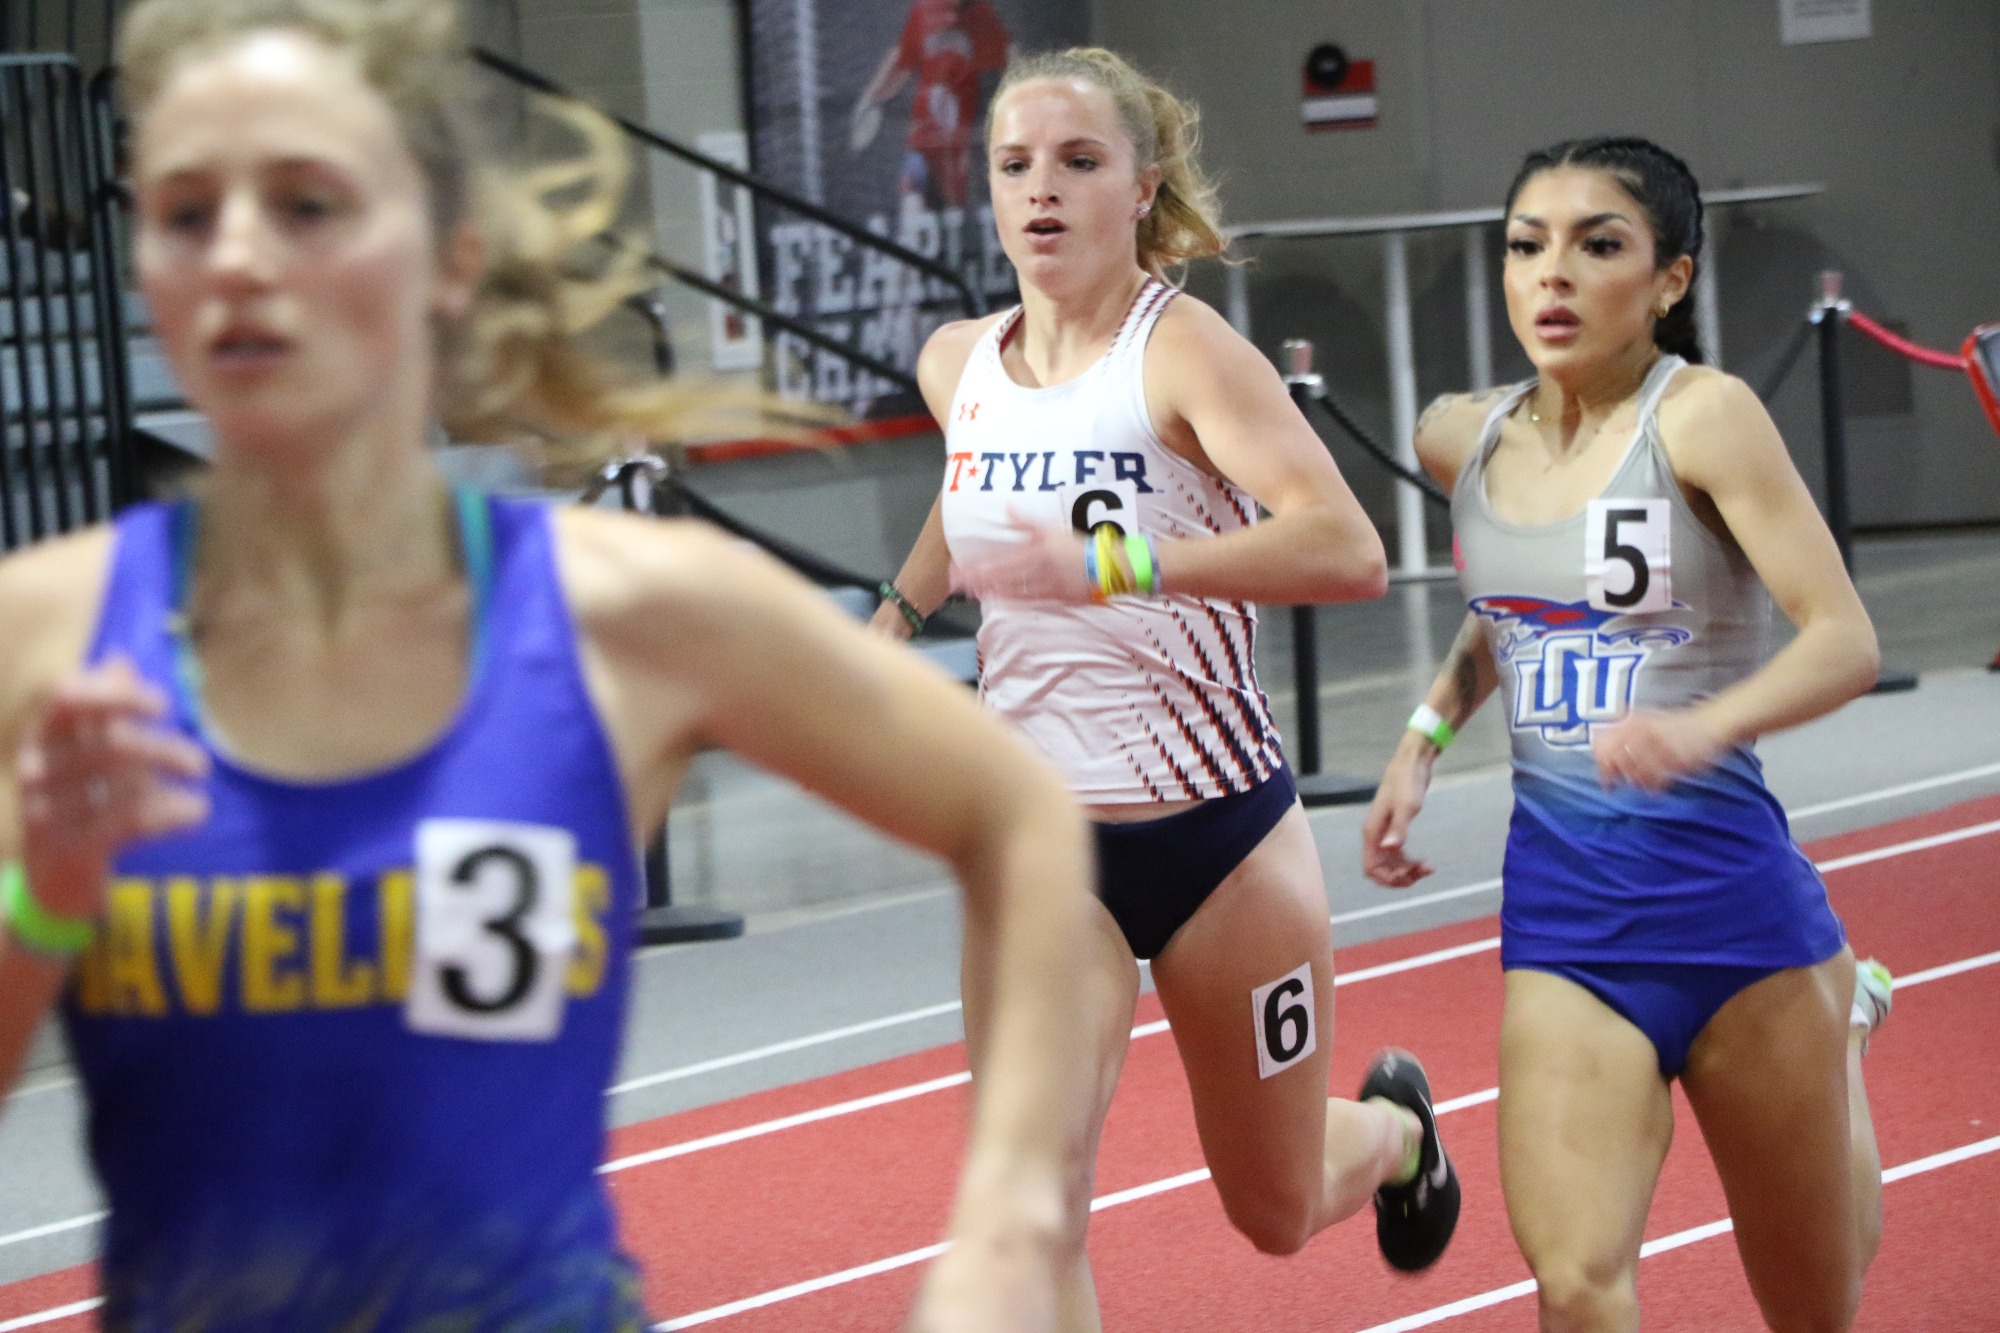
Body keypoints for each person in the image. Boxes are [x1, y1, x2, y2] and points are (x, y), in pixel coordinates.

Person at [0, 3, 1116, 1329]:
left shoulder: (628, 614)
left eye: (307, 204)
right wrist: (41, 899)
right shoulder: (46, 637)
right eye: (186, 214)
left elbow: (1019, 814)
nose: (239, 256)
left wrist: (1007, 1223)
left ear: (448, 256)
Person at [871, 47, 1460, 1329]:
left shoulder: (1184, 354)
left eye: (1078, 163)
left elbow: (1345, 547)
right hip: (1035, 849)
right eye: (1013, 166)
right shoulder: (955, 362)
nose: (1042, 192)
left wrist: (1124, 563)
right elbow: (972, 492)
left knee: (1274, 1207)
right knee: (1034, 1197)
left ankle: (1394, 1136)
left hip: (1218, 847)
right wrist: (900, 609)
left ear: (1139, 187)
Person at [1362, 136, 1894, 1332]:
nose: (1549, 274)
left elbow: (1841, 640)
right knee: (1575, 1283)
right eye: (1524, 245)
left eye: (1597, 245)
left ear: (1668, 279)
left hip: (1738, 926)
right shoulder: (1461, 436)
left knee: (1815, 1300)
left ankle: (1838, 1024)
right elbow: (1508, 617)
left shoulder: (1703, 417)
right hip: (1567, 926)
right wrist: (1422, 734)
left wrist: (1702, 726)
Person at [849, 0, 1012, 210]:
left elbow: (1008, 65)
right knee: (912, 193)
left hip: (960, 145)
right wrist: (869, 99)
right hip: (923, 138)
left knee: (950, 214)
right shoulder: (925, 10)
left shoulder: (982, 16)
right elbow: (901, 62)